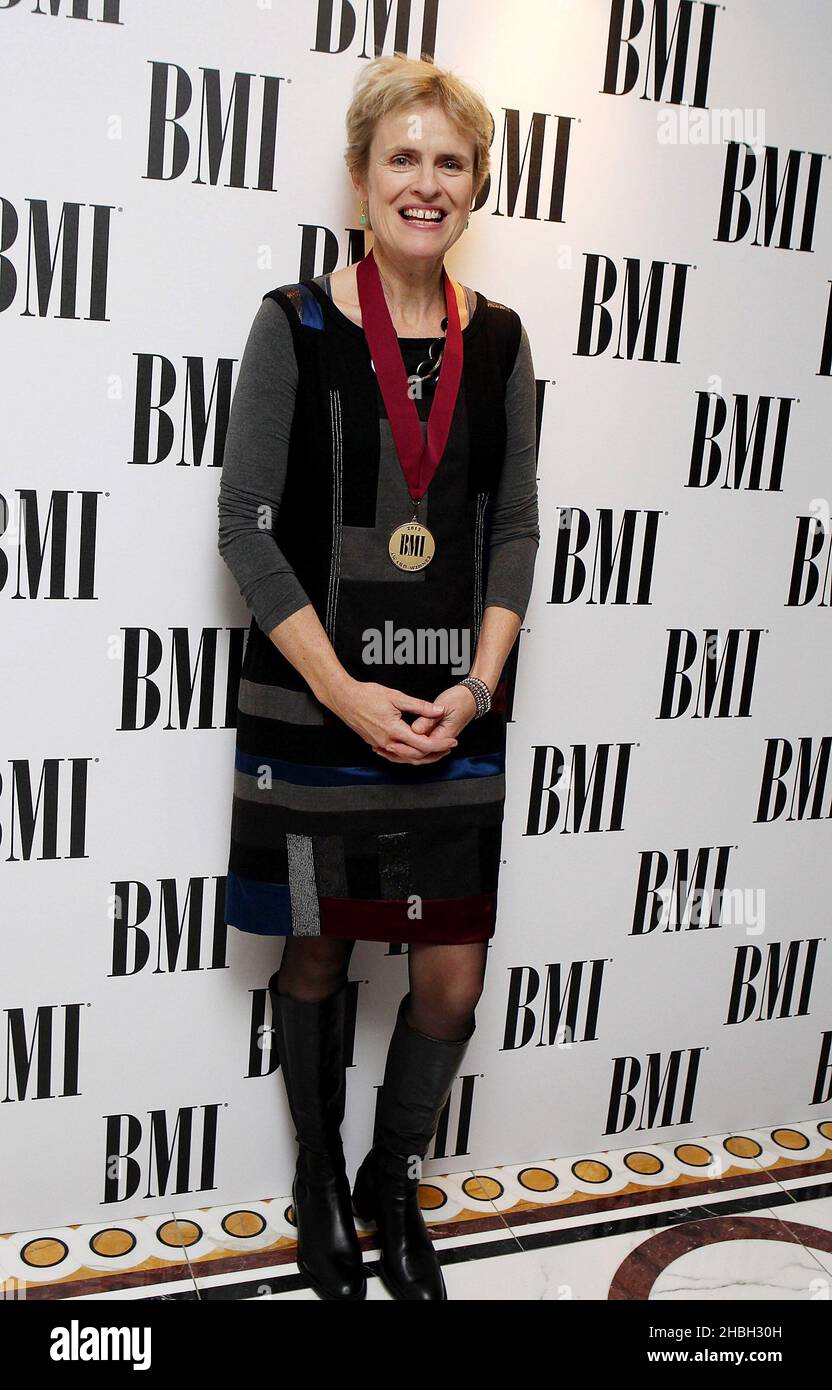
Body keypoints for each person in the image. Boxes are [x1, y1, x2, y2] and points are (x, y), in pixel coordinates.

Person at [217, 52, 540, 1301]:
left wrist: (477, 685)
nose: (425, 182)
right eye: (400, 158)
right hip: (313, 705)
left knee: (448, 973)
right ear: (359, 179)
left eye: (449, 162)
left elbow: (511, 527)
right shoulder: (292, 325)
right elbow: (247, 526)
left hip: (452, 704)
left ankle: (388, 1184)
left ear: (474, 187)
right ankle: (316, 1183)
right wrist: (349, 694)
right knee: (315, 959)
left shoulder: (499, 339)